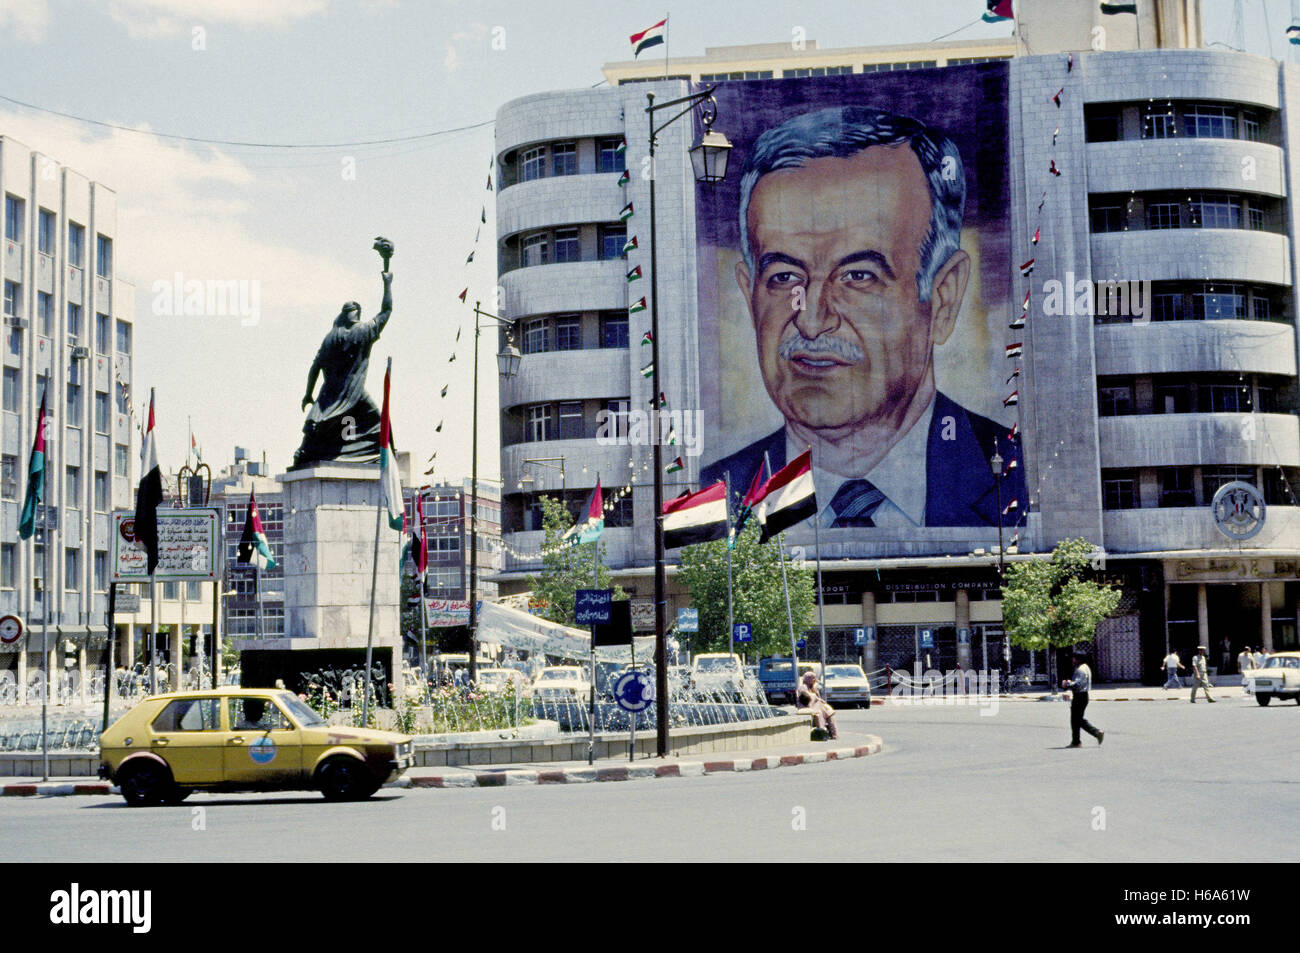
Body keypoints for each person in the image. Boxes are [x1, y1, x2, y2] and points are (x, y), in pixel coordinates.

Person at [701, 106, 1026, 529]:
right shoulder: (716, 499)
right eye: (783, 276)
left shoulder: (1013, 475)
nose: (811, 320)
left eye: (858, 276)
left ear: (943, 299)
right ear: (750, 295)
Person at [291, 243, 394, 469]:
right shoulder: (363, 331)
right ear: (357, 315)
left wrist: (308, 394)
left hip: (330, 394)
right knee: (379, 423)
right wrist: (387, 282)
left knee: (319, 427)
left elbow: (314, 367)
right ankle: (385, 458)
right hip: (353, 392)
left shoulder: (331, 337)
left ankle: (304, 452)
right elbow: (386, 311)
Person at [1061, 651, 1103, 747]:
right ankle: (1076, 741)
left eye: (1074, 658)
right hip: (1082, 696)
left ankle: (1096, 733)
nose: (1073, 660)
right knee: (1076, 719)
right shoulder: (1085, 668)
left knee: (1077, 719)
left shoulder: (1080, 670)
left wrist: (1067, 684)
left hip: (1080, 696)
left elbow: (1078, 684)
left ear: (1078, 659)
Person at [796, 670, 837, 740]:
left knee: (829, 712)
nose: (814, 680)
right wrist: (816, 697)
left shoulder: (813, 688)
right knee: (822, 713)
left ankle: (833, 734)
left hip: (817, 706)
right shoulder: (803, 687)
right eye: (813, 678)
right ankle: (821, 731)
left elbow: (819, 698)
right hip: (807, 706)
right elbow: (806, 698)